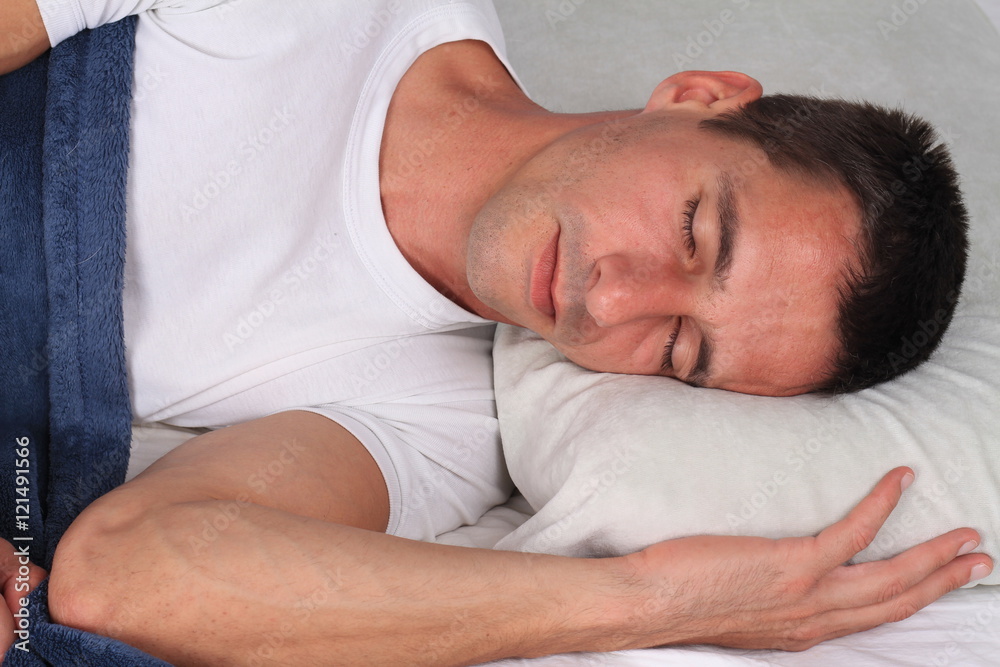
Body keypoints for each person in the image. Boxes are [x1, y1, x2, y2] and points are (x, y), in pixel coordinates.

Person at [0, 0, 990, 665]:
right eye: (693, 232)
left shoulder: (444, 422)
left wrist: (647, 602)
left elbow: (121, 577)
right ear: (699, 98)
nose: (614, 301)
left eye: (678, 350)